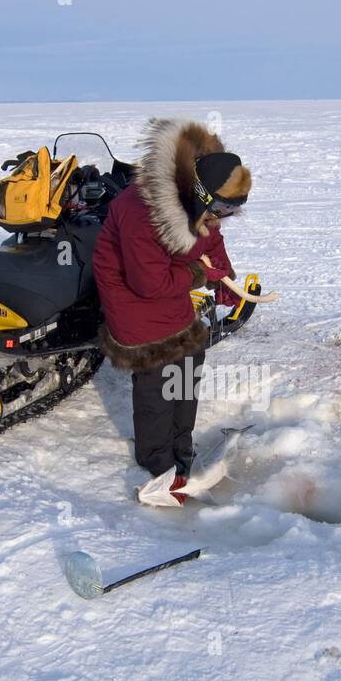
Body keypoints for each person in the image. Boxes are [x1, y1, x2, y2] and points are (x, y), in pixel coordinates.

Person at [92, 119, 252, 506]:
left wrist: (223, 276)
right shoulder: (142, 212)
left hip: (170, 286)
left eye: (232, 209)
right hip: (133, 297)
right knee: (158, 377)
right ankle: (157, 464)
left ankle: (182, 452)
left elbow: (211, 237)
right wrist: (201, 273)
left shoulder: (202, 201)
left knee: (187, 363)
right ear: (199, 192)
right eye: (221, 207)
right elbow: (149, 284)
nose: (223, 216)